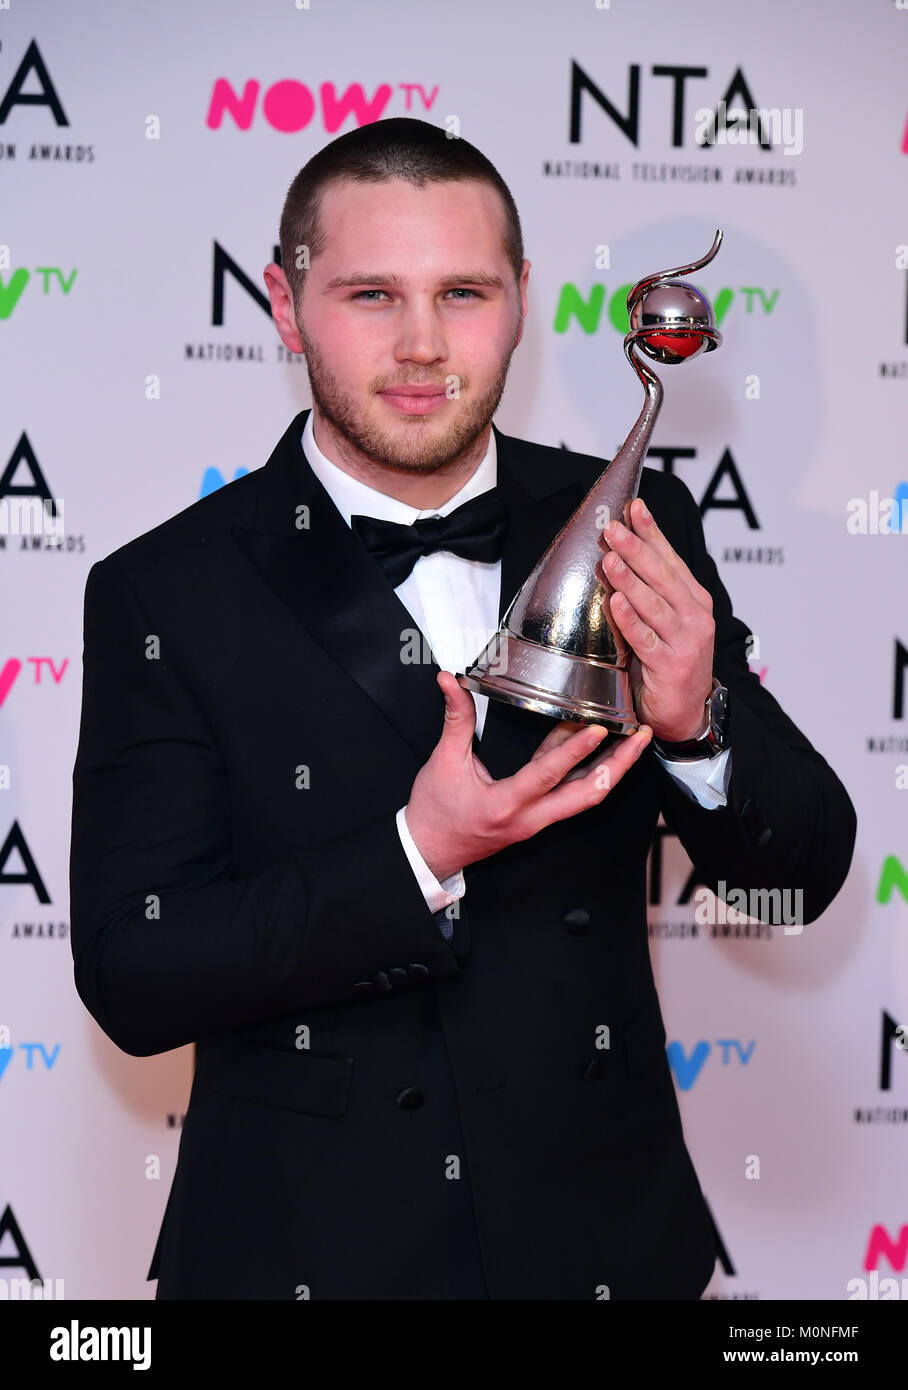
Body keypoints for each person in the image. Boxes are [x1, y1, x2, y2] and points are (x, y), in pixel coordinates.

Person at [69, 117, 856, 1300]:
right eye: (371, 294)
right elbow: (134, 972)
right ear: (285, 306)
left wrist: (700, 724)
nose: (423, 344)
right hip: (297, 1257)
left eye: (464, 292)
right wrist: (412, 858)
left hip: (604, 1252)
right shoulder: (166, 589)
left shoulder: (633, 524)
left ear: (524, 299)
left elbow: (792, 878)